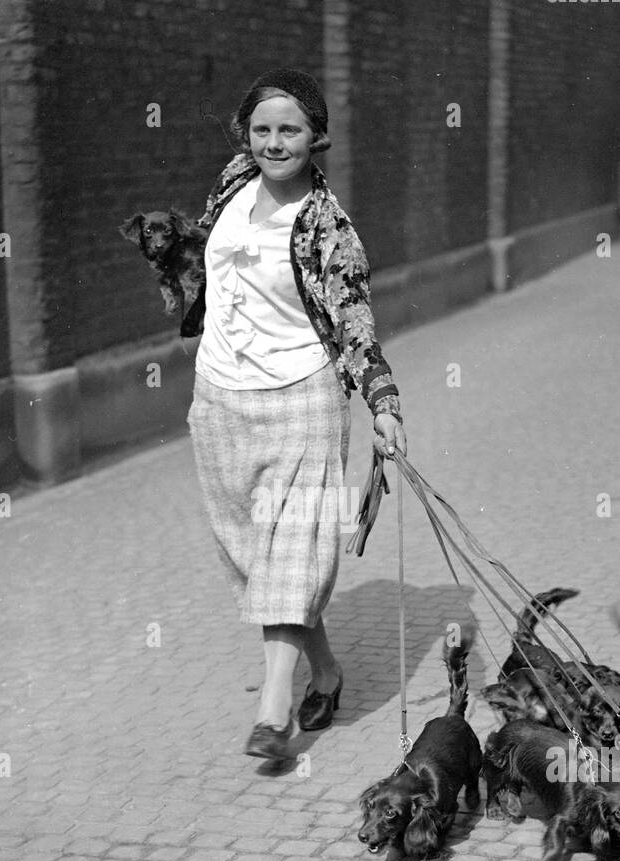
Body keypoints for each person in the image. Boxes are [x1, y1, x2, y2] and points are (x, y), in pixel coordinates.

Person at [184, 68, 407, 761]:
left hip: (302, 395)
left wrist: (383, 403)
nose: (274, 143)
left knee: (292, 548)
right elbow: (209, 268)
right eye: (262, 130)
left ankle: (273, 709)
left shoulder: (327, 225)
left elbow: (354, 318)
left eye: (290, 130)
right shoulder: (230, 184)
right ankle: (327, 671)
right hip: (219, 397)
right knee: (255, 557)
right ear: (243, 135)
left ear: (317, 137)